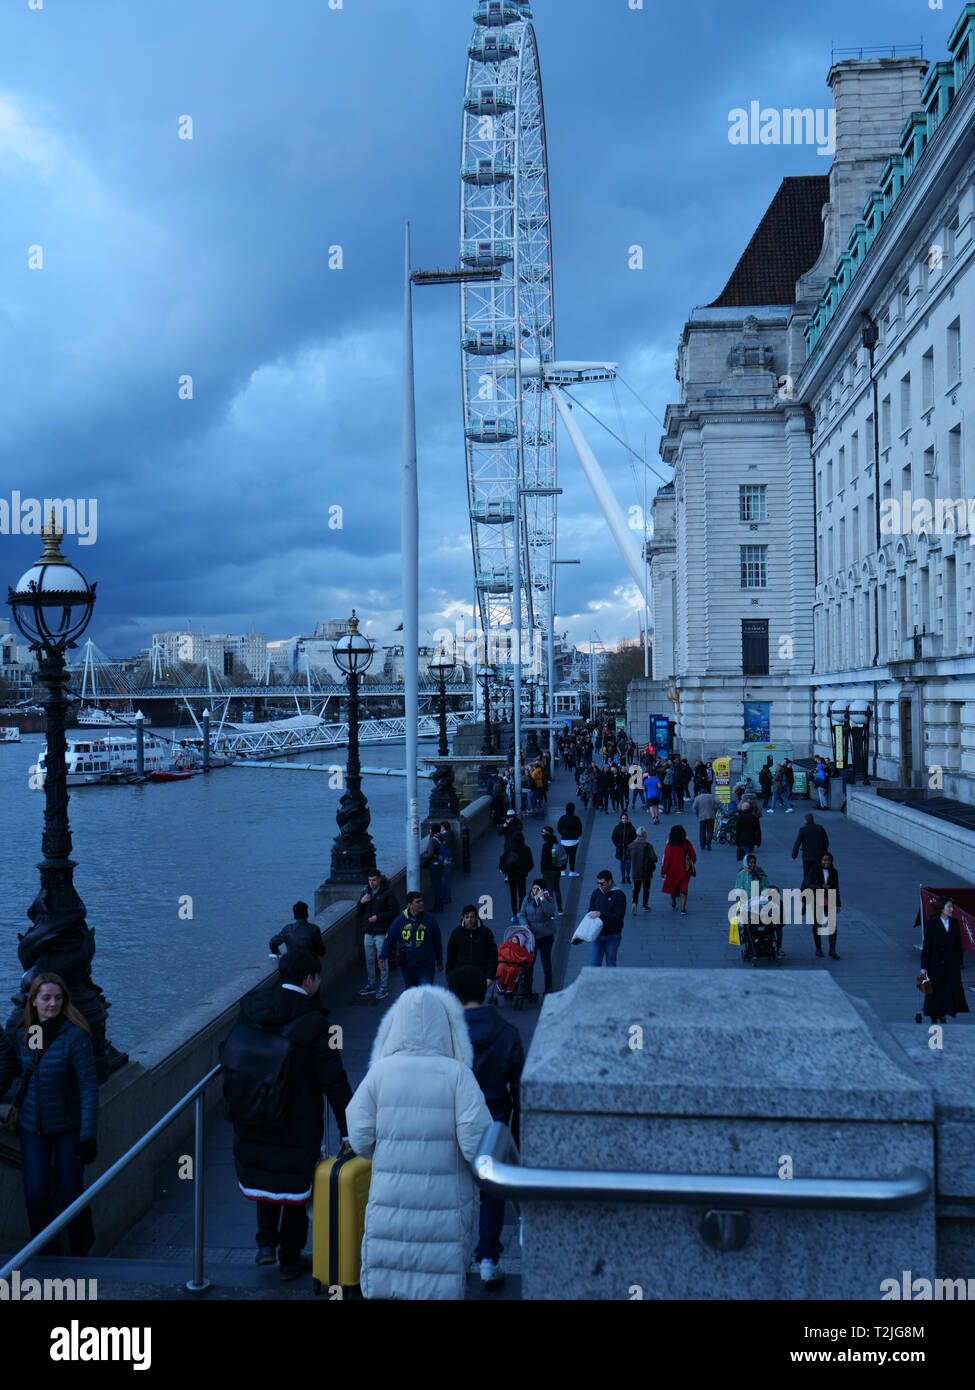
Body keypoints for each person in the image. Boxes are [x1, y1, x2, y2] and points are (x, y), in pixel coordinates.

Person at [345, 986, 492, 1300]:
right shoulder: (458, 1075)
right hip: (445, 1210)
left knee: (389, 1282)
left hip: (390, 1202)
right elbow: (477, 1146)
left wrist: (382, 1150)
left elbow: (359, 1139)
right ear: (445, 1028)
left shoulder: (379, 1074)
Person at [230, 950, 353, 1278]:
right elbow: (334, 1082)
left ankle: (265, 1244)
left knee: (264, 1171)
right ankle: (289, 1257)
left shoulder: (252, 1008)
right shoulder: (315, 1022)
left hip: (254, 1111)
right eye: (318, 977)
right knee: (296, 1187)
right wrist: (347, 1130)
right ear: (308, 979)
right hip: (297, 1118)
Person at [0, 973, 98, 1256]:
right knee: (35, 1194)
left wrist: (88, 1134)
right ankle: (45, 1252)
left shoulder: (76, 1037)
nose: (52, 1003)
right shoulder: (24, 1033)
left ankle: (81, 1248)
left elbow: (89, 1089)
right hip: (31, 1126)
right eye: (46, 998)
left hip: (68, 1127)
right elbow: (12, 1069)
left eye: (58, 998)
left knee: (70, 1193)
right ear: (34, 1001)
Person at [448, 966, 525, 1289]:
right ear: (485, 992)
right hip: (495, 1119)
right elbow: (520, 1090)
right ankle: (488, 1260)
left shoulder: (447, 1036)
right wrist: (517, 1135)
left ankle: (455, 1258)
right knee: (492, 1190)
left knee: (454, 1187)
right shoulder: (507, 1032)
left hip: (455, 1118)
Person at [920, 897, 970, 1024]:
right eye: (949, 907)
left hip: (950, 963)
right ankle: (933, 1013)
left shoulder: (954, 923)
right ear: (942, 908)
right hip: (935, 963)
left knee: (949, 988)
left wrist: (959, 962)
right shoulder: (932, 923)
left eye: (952, 907)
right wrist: (924, 966)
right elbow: (927, 946)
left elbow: (958, 944)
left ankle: (944, 1012)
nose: (951, 909)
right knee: (935, 989)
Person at [379, 892, 444, 987]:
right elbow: (389, 939)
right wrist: (382, 957)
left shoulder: (430, 920)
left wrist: (439, 961)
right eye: (418, 902)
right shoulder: (399, 921)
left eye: (422, 901)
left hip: (426, 965)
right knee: (411, 993)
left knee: (424, 992)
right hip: (408, 966)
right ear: (410, 905)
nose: (422, 903)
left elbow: (437, 941)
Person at [356, 872, 400, 999]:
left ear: (379, 880)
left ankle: (383, 986)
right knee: (369, 960)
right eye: (369, 880)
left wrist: (378, 917)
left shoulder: (388, 893)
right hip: (368, 932)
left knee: (382, 960)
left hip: (381, 932)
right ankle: (371, 984)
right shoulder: (365, 892)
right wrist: (362, 901)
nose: (371, 883)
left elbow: (394, 911)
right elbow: (359, 911)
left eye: (374, 880)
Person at [445, 904, 498, 984]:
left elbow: (492, 956)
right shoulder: (456, 934)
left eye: (472, 917)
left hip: (480, 976)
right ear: (462, 918)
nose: (469, 919)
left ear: (476, 917)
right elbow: (450, 957)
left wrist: (490, 976)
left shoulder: (486, 933)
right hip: (461, 977)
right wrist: (449, 976)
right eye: (467, 917)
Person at [520, 879, 557, 994]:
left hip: (546, 936)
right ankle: (527, 987)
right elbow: (522, 914)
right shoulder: (527, 899)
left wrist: (542, 899)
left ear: (542, 890)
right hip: (532, 936)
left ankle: (548, 986)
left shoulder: (547, 898)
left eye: (538, 889)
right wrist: (524, 923)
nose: (535, 891)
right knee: (529, 962)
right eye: (533, 888)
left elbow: (550, 913)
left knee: (546, 961)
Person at [584, 870, 627, 967]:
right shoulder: (596, 893)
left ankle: (610, 982)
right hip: (597, 935)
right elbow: (590, 910)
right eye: (598, 883)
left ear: (610, 882)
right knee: (594, 963)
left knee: (611, 963)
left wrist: (601, 914)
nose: (599, 886)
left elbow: (619, 915)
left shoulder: (619, 895)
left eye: (602, 883)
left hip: (613, 935)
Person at [804, 851, 842, 959]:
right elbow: (807, 884)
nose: (826, 862)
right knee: (817, 924)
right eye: (824, 860)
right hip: (817, 898)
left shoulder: (834, 872)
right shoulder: (814, 871)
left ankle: (832, 949)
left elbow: (836, 888)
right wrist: (821, 886)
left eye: (828, 860)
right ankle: (818, 948)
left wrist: (838, 904)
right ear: (820, 861)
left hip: (830, 899)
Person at [661, 824, 697, 915]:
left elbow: (666, 860)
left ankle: (673, 902)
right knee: (684, 889)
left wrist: (663, 871)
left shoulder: (669, 845)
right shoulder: (687, 843)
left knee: (673, 887)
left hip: (672, 871)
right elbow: (694, 856)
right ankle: (683, 908)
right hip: (685, 870)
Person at [499, 831, 534, 919]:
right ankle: (520, 912)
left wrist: (503, 869)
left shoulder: (510, 848)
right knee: (522, 894)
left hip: (511, 875)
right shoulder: (527, 849)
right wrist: (526, 870)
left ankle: (514, 914)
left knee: (513, 894)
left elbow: (502, 858)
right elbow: (531, 864)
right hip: (522, 875)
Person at [791, 813, 829, 881]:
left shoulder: (803, 830)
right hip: (819, 856)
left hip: (807, 857)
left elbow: (797, 843)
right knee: (819, 874)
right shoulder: (820, 828)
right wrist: (824, 851)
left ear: (806, 821)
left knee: (807, 874)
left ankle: (808, 888)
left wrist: (794, 855)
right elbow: (826, 842)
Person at [629, 827, 657, 912]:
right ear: (644, 835)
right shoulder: (648, 845)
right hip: (646, 872)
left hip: (635, 871)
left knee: (636, 889)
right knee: (646, 889)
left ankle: (634, 902)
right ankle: (645, 905)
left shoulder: (631, 845)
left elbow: (628, 856)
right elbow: (654, 858)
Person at [539, 825, 565, 913]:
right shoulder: (556, 844)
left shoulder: (545, 846)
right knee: (557, 889)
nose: (541, 834)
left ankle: (551, 911)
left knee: (549, 891)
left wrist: (542, 870)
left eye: (543, 832)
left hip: (548, 871)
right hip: (557, 870)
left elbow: (543, 860)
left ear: (547, 834)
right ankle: (560, 909)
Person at [556, 803, 583, 875]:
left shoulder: (562, 818)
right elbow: (580, 829)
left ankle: (562, 871)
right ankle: (572, 871)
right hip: (574, 840)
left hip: (564, 840)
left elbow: (559, 828)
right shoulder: (576, 818)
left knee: (564, 856)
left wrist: (563, 834)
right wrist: (577, 834)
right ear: (573, 809)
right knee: (572, 856)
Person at [611, 812, 637, 883]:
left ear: (627, 819)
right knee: (622, 863)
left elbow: (635, 838)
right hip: (620, 849)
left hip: (629, 849)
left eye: (625, 818)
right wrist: (617, 845)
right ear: (620, 819)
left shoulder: (631, 828)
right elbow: (613, 837)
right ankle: (623, 877)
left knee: (628, 863)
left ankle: (627, 876)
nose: (624, 820)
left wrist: (632, 845)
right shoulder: (617, 828)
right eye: (623, 818)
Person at [691, 785, 719, 851]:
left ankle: (702, 845)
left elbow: (694, 809)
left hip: (702, 816)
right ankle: (708, 841)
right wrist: (715, 811)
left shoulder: (697, 798)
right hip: (711, 816)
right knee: (710, 830)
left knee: (702, 831)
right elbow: (717, 805)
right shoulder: (712, 796)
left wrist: (697, 814)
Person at [734, 800, 762, 865]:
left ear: (742, 808)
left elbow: (738, 830)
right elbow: (758, 830)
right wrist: (758, 841)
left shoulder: (740, 817)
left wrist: (737, 841)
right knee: (749, 854)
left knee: (747, 856)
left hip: (742, 840)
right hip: (752, 840)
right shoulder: (754, 817)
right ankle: (748, 867)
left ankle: (747, 868)